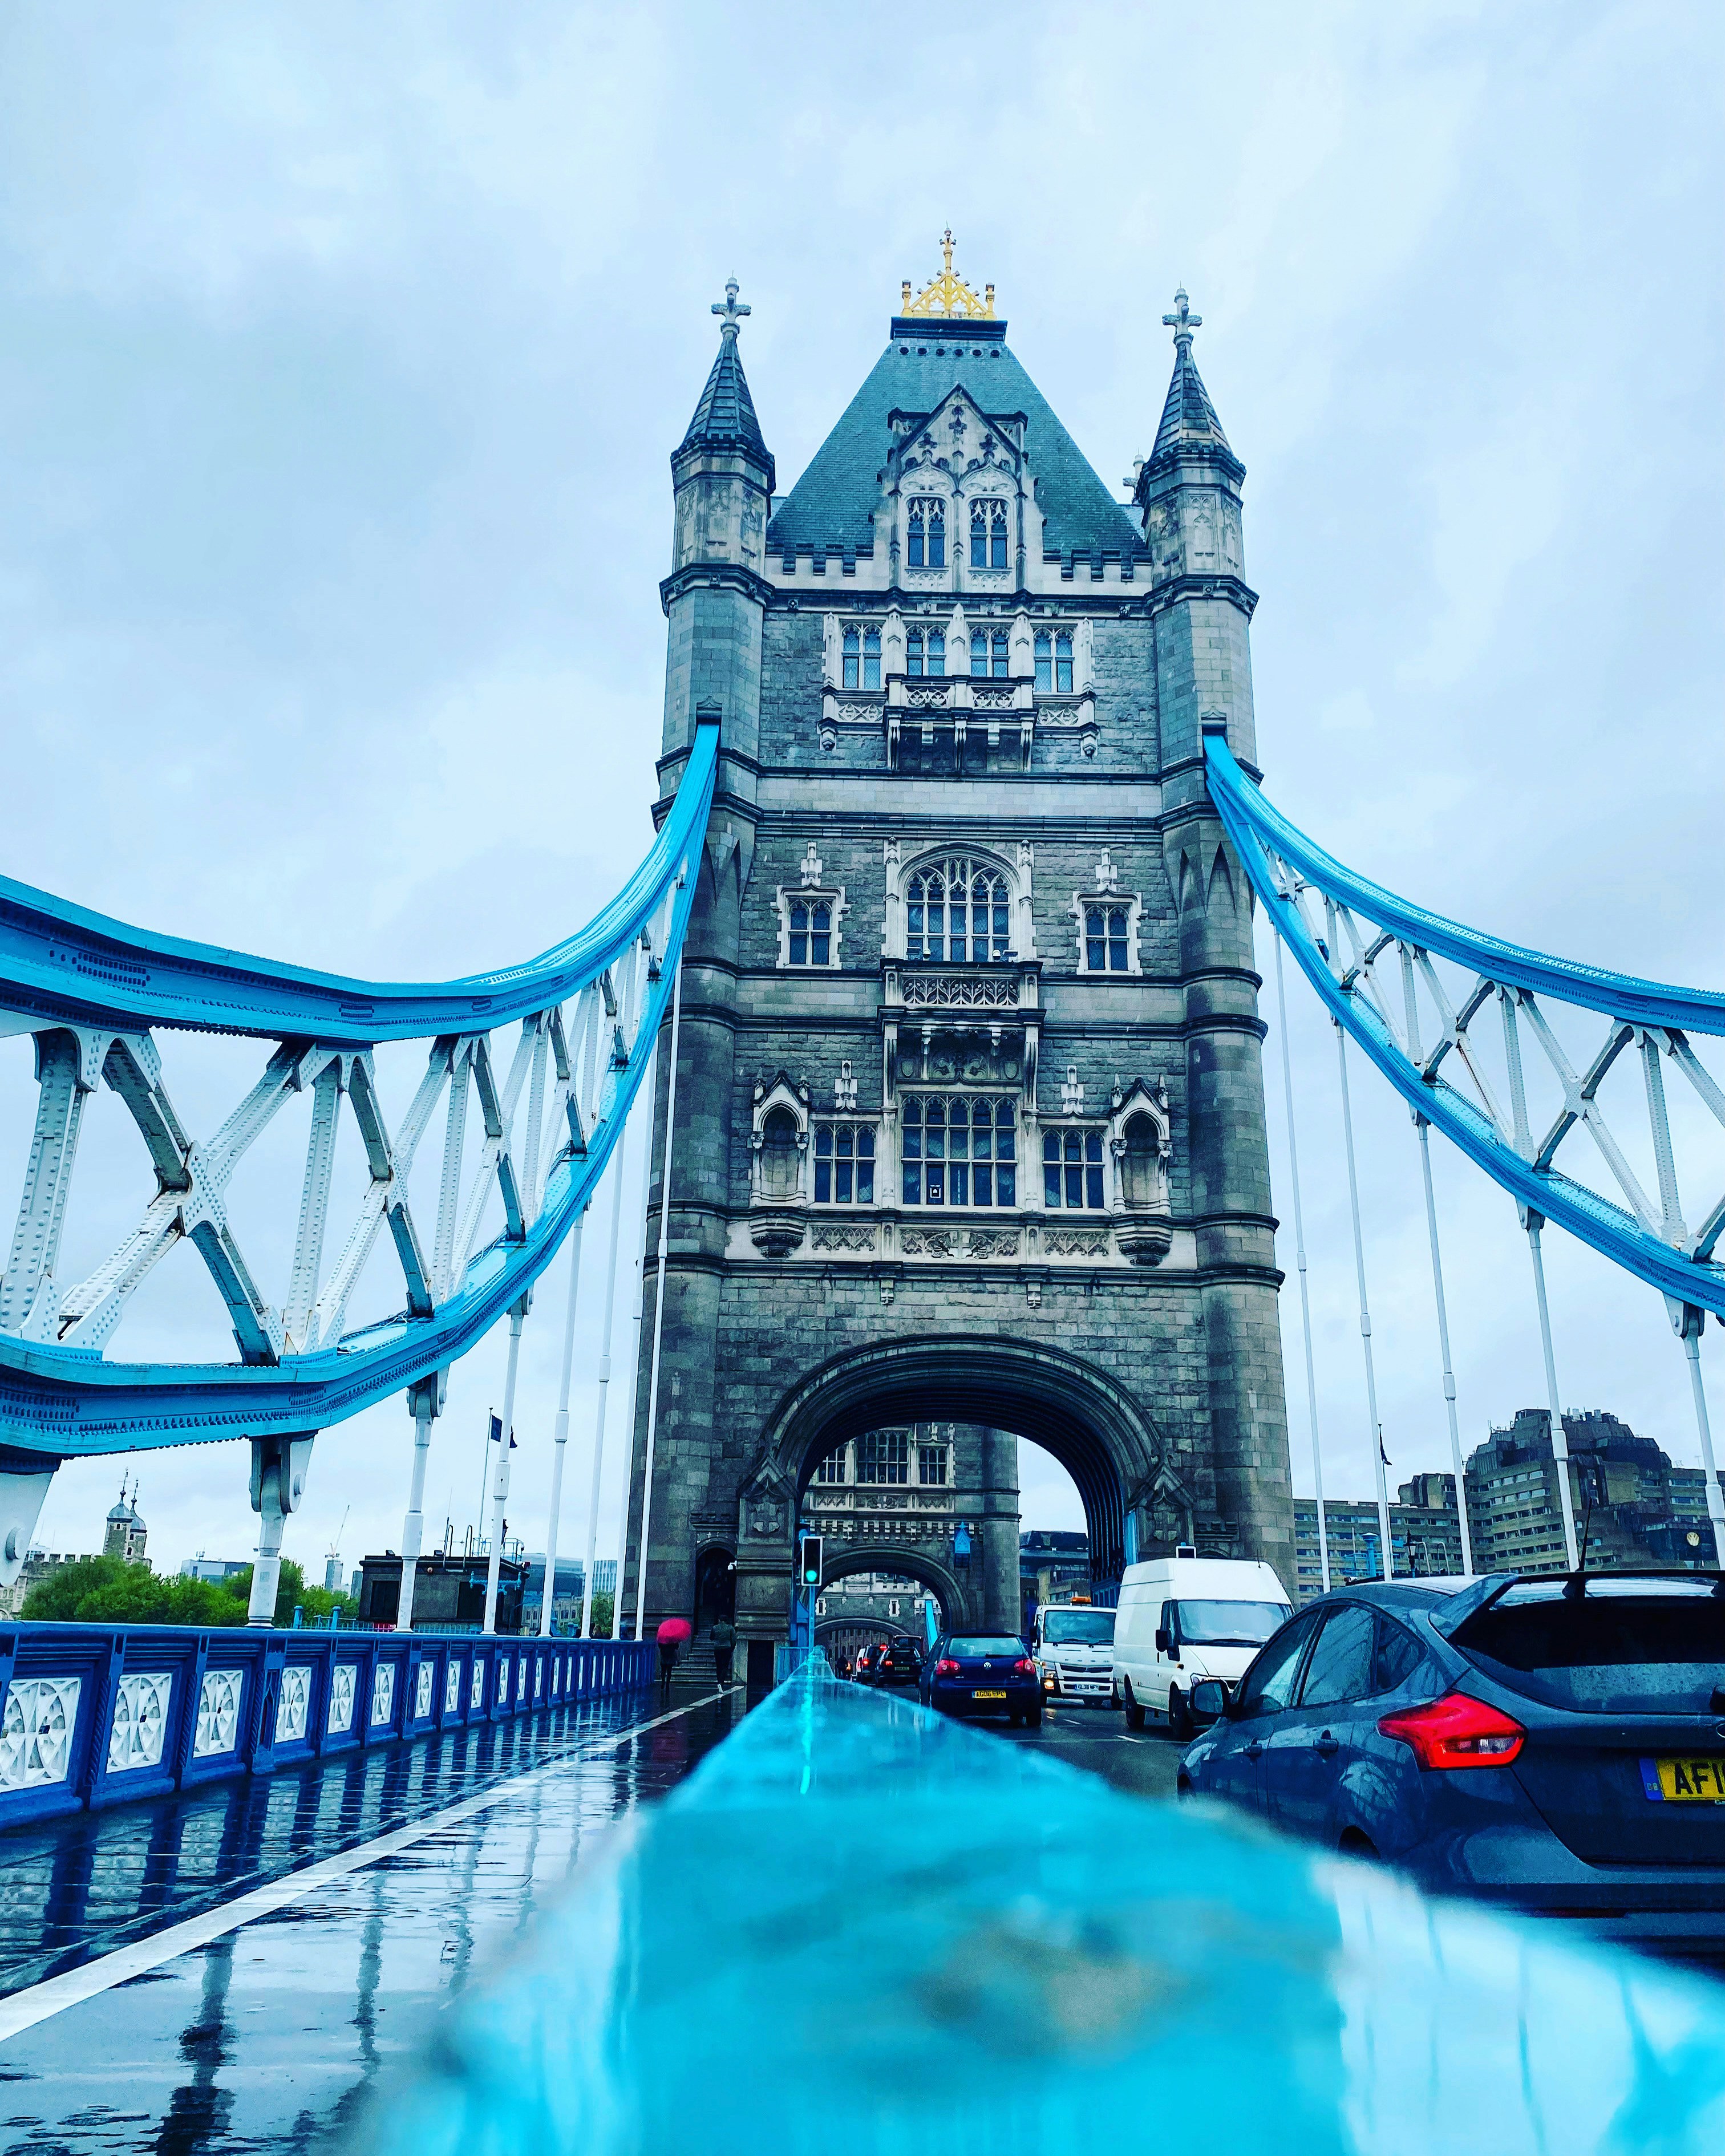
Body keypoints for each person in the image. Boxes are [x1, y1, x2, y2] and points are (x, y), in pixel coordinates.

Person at [655, 1615, 691, 1692]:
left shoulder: (663, 1639)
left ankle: (663, 1682)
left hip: (664, 1657)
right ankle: (668, 1684)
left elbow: (660, 1646)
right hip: (671, 1657)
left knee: (663, 1671)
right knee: (669, 1672)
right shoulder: (673, 1640)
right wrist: (676, 1642)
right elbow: (677, 1648)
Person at [710, 1615, 736, 1688]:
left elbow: (711, 1638)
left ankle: (719, 1682)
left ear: (719, 1620)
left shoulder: (715, 1628)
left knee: (718, 1666)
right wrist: (731, 1649)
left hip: (717, 1648)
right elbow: (734, 1640)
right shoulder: (730, 1628)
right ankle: (721, 1683)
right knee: (725, 1666)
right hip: (727, 1648)